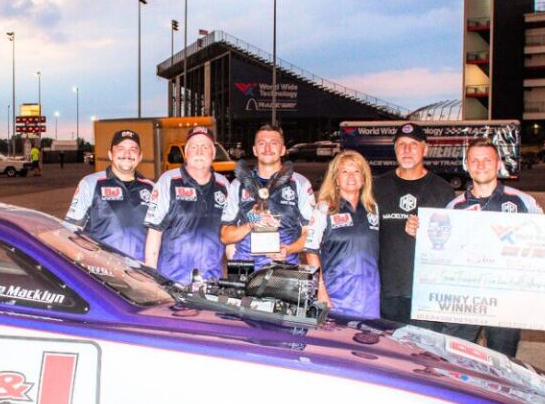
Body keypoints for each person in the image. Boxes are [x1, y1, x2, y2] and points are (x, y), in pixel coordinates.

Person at [440, 138, 545, 358]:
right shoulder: (453, 208)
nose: (481, 165)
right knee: (457, 361)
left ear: (498, 164)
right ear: (467, 165)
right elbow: (440, 252)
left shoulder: (523, 202)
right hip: (464, 300)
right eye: (474, 160)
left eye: (487, 160)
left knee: (503, 363)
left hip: (506, 300)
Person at [371, 123, 456, 328]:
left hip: (426, 292)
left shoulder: (443, 190)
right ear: (395, 149)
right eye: (401, 145)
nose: (407, 150)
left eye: (413, 145)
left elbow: (455, 243)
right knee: (390, 355)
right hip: (386, 292)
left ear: (425, 149)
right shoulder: (376, 187)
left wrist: (427, 234)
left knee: (425, 355)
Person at [219, 124, 315, 270]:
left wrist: (288, 249)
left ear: (283, 150)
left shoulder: (300, 184)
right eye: (262, 143)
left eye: (274, 143)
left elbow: (310, 234)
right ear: (254, 150)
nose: (268, 148)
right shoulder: (238, 185)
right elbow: (225, 236)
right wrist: (251, 223)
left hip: (284, 270)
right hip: (244, 271)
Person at [143, 126, 231, 285]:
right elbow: (154, 232)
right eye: (194, 147)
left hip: (212, 283)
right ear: (186, 152)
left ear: (212, 153)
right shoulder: (168, 181)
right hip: (172, 282)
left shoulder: (224, 185)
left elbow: (230, 235)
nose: (199, 151)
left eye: (205, 147)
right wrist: (151, 278)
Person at [304, 150, 381, 319]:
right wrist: (321, 291)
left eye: (356, 171)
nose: (351, 176)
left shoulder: (373, 209)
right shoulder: (324, 209)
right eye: (345, 171)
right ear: (336, 179)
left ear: (364, 178)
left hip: (369, 299)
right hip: (336, 297)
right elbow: (310, 251)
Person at [64, 129, 155, 259]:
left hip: (139, 274)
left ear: (140, 156)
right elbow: (70, 231)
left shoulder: (152, 189)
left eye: (133, 149)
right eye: (121, 148)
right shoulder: (90, 184)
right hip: (101, 272)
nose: (127, 154)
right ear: (110, 154)